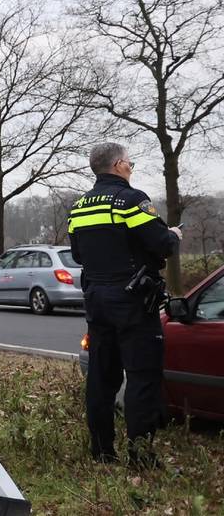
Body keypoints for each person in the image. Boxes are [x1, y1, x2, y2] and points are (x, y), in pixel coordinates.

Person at [67, 143, 182, 468]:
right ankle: (141, 456)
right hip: (133, 300)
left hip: (97, 300)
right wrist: (172, 235)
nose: (131, 167)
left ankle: (102, 451)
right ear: (118, 165)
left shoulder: (79, 208)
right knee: (142, 376)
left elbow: (78, 254)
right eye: (129, 162)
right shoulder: (131, 200)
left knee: (101, 377)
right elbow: (162, 244)